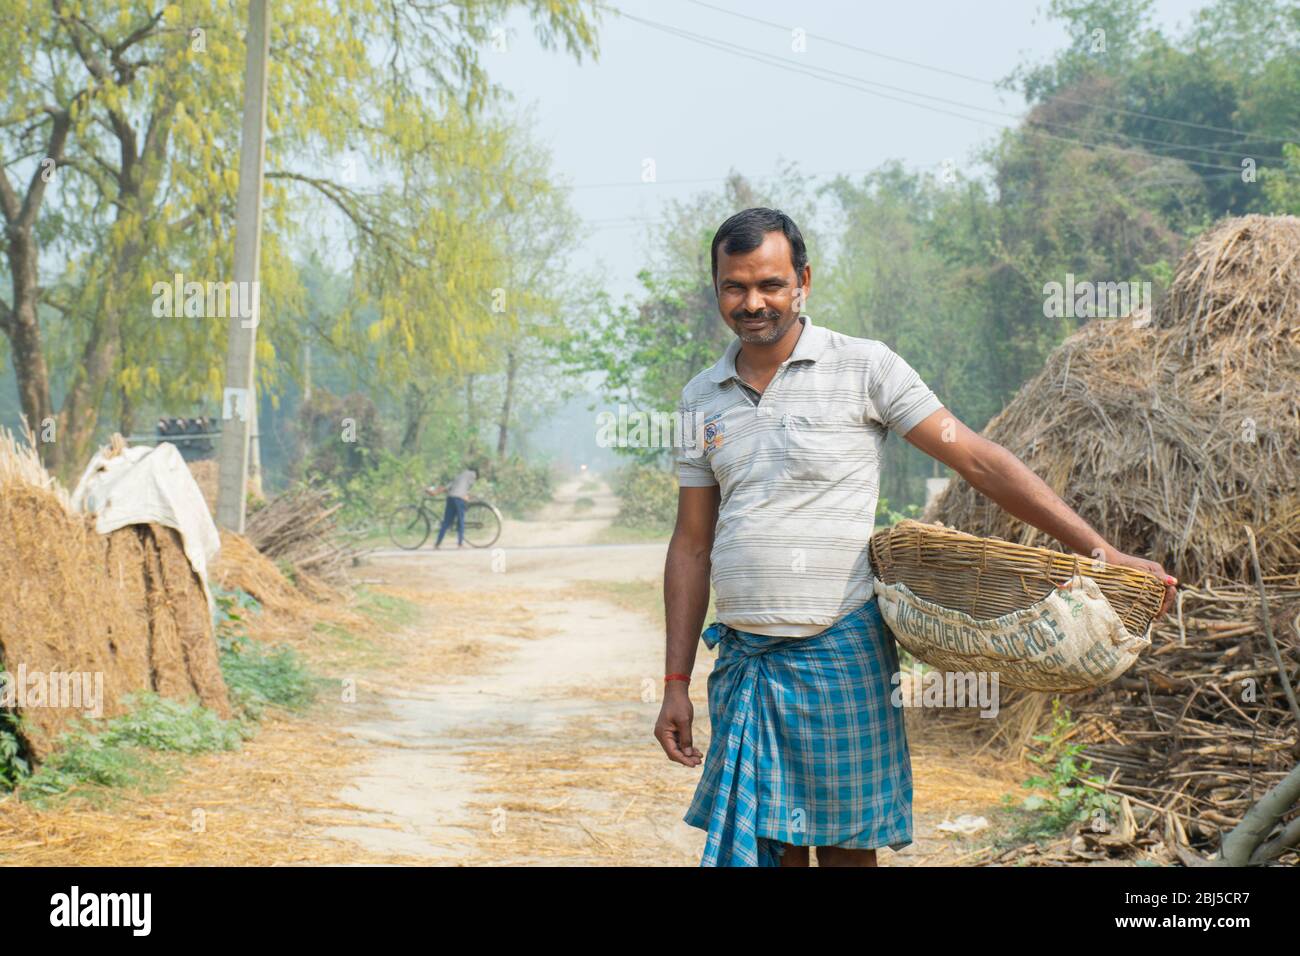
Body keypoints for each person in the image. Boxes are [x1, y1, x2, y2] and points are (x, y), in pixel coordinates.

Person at [654, 207, 1177, 868]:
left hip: (839, 644)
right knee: (768, 852)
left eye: (771, 285)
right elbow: (691, 544)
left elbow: (977, 460)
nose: (753, 302)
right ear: (717, 288)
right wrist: (675, 679)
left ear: (803, 280)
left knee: (847, 853)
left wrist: (1098, 550)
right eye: (736, 287)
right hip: (745, 662)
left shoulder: (865, 368)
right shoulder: (698, 399)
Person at [427, 465, 478, 548]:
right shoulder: (472, 474)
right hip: (459, 499)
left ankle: (437, 544)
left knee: (446, 522)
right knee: (461, 521)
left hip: (450, 498)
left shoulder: (459, 475)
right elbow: (468, 488)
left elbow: (446, 488)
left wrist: (434, 492)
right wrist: (468, 496)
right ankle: (460, 544)